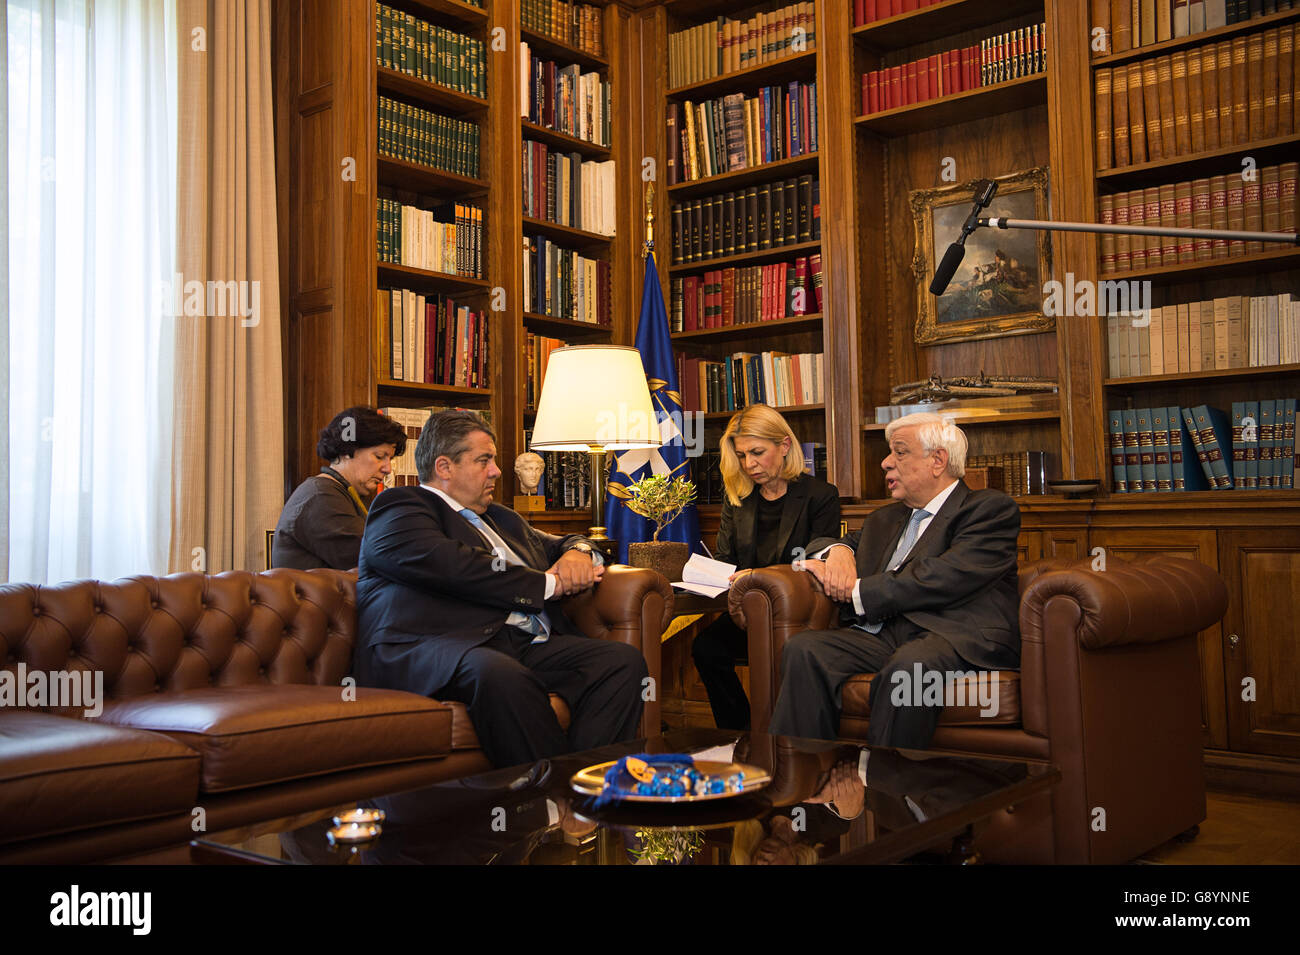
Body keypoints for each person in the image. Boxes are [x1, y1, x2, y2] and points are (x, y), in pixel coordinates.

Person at [353, 410, 648, 768]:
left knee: (621, 661)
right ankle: (552, 797)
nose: (495, 471)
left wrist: (577, 553)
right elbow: (454, 566)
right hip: (441, 646)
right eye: (484, 461)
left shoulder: (500, 517)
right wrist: (550, 585)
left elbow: (565, 542)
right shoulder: (401, 507)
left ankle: (588, 784)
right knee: (498, 673)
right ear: (444, 467)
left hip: (519, 644)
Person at [769, 412, 1020, 749]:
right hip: (883, 634)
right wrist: (839, 550)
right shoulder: (884, 518)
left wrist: (858, 591)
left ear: (937, 460)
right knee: (805, 648)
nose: (886, 462)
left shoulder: (988, 509)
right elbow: (817, 546)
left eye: (900, 452)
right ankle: (805, 780)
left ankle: (884, 792)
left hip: (951, 635)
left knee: (909, 668)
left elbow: (944, 577)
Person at [692, 404, 840, 729]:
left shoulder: (821, 496)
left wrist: (758, 576)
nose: (749, 464)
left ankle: (781, 735)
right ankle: (742, 733)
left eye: (757, 452)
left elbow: (818, 565)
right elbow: (726, 558)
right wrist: (703, 576)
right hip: (748, 612)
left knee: (778, 655)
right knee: (706, 649)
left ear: (784, 446)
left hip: (799, 615)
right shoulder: (739, 497)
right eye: (742, 455)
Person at [272, 406, 407, 570]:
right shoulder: (321, 498)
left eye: (390, 459)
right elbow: (379, 560)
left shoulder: (340, 493)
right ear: (346, 451)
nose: (387, 469)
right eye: (379, 457)